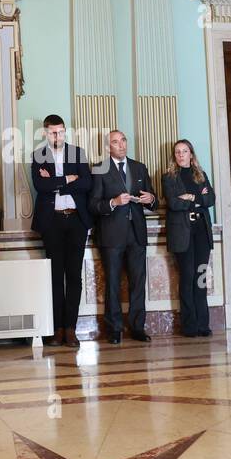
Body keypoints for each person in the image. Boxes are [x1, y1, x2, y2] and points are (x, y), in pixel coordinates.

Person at [30, 114, 92, 347]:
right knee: (55, 276)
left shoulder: (78, 153)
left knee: (74, 276)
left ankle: (71, 329)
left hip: (76, 220)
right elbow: (40, 186)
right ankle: (56, 329)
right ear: (46, 133)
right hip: (51, 222)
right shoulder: (38, 155)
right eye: (53, 132)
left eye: (62, 131)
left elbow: (87, 183)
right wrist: (68, 178)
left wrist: (55, 182)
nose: (58, 136)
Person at [90, 130, 156, 344]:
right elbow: (93, 205)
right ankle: (114, 329)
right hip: (111, 235)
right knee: (113, 284)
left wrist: (150, 198)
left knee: (138, 282)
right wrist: (113, 203)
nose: (121, 145)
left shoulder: (139, 167)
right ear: (108, 147)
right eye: (115, 142)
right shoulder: (100, 169)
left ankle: (137, 327)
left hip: (137, 234)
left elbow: (153, 202)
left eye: (123, 140)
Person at [162, 140, 216, 338]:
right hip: (182, 233)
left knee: (200, 278)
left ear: (191, 154)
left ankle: (203, 324)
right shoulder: (168, 178)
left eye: (185, 151)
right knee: (187, 277)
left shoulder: (201, 176)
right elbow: (174, 203)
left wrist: (191, 198)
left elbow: (210, 200)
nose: (181, 155)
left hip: (201, 231)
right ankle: (189, 326)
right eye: (178, 152)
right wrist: (197, 199)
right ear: (174, 156)